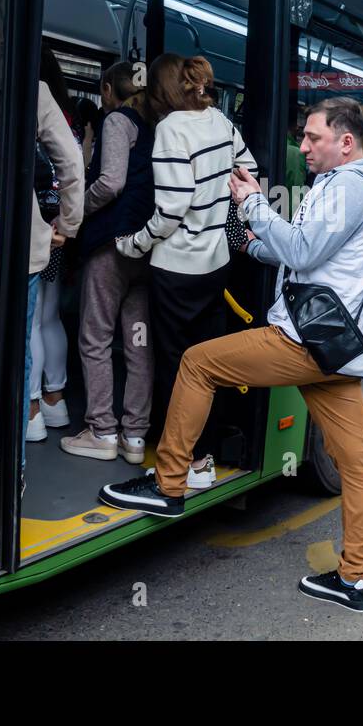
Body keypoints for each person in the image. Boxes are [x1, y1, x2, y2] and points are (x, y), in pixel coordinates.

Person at [99, 97, 363, 614]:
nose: (302, 146)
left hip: (303, 341)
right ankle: (355, 580)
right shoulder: (361, 186)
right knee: (356, 465)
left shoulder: (349, 186)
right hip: (337, 350)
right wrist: (251, 245)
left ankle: (169, 483)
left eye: (313, 137)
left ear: (346, 142)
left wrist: (253, 203)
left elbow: (304, 250)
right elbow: (305, 255)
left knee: (197, 363)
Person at [114, 54, 258, 488]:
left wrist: (134, 242)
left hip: (176, 269)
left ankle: (181, 462)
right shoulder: (220, 121)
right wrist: (216, 213)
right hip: (215, 264)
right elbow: (248, 170)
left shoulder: (171, 129)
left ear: (161, 91)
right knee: (205, 364)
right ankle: (204, 459)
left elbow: (172, 207)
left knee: (175, 366)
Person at [61, 62, 156, 464]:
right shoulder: (155, 124)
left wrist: (75, 209)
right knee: (138, 341)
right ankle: (135, 436)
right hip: (145, 246)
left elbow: (111, 181)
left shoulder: (118, 120)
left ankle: (102, 431)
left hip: (111, 246)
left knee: (95, 336)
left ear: (106, 88)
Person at [23, 46, 84, 465]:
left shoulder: (17, 90)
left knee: (31, 325)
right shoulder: (63, 113)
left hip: (35, 230)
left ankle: (31, 413)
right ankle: (56, 400)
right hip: (51, 231)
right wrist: (68, 223)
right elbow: (73, 164)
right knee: (50, 317)